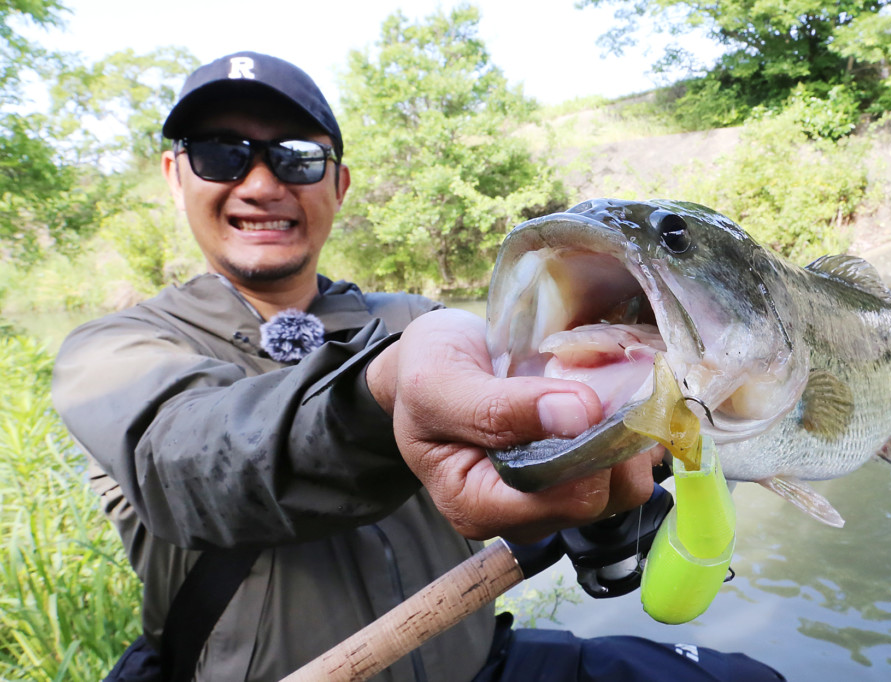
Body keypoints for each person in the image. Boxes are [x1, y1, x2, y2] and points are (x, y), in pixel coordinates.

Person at [52, 52, 792, 681]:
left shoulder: (423, 317)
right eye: (220, 152)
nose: (260, 183)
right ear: (174, 174)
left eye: (296, 157)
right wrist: (382, 394)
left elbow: (590, 401)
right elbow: (185, 463)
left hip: (474, 663)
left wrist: (629, 457)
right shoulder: (114, 351)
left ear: (338, 185)